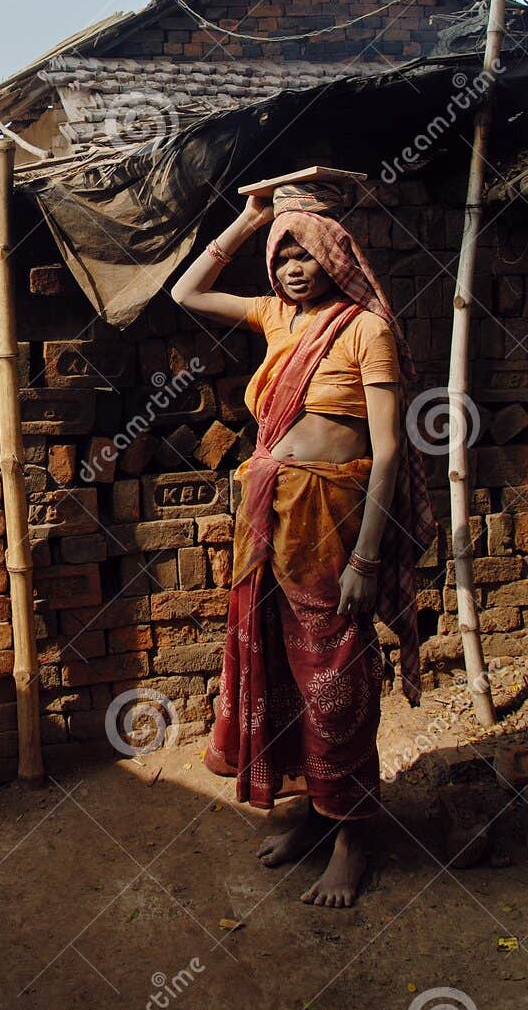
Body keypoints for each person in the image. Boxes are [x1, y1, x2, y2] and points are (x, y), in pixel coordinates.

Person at [171, 182, 434, 908]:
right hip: (267, 515)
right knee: (280, 672)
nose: (290, 266)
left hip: (332, 521)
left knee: (335, 677)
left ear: (334, 257)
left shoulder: (363, 330)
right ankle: (313, 816)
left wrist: (366, 558)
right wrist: (247, 219)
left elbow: (385, 453)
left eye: (303, 252)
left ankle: (354, 833)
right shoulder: (275, 318)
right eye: (279, 253)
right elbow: (184, 292)